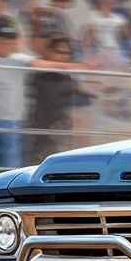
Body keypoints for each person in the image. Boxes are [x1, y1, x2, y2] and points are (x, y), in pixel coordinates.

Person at [0, 23, 87, 169]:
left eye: (10, 40)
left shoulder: (19, 59)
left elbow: (50, 65)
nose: (6, 43)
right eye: (3, 39)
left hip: (12, 122)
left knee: (9, 166)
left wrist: (78, 67)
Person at [27, 36, 88, 165]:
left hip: (62, 125)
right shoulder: (43, 73)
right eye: (60, 52)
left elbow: (71, 95)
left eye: (68, 53)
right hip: (41, 127)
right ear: (50, 52)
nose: (65, 56)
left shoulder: (66, 76)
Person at [85, 0, 131, 68]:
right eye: (104, 3)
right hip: (99, 50)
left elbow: (128, 34)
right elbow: (89, 35)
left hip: (115, 50)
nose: (107, 6)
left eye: (109, 3)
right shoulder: (92, 16)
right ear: (99, 4)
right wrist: (88, 53)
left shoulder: (119, 18)